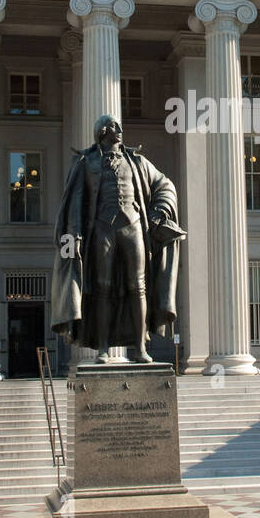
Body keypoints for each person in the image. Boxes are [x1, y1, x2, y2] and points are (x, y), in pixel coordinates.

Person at [51, 115, 185, 363]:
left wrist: (158, 212)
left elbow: (164, 185)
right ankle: (102, 348)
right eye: (114, 126)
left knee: (139, 286)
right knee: (102, 287)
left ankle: (141, 348)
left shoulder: (137, 161)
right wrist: (74, 234)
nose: (120, 129)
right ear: (102, 131)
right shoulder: (86, 161)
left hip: (133, 226)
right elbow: (75, 203)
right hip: (102, 227)